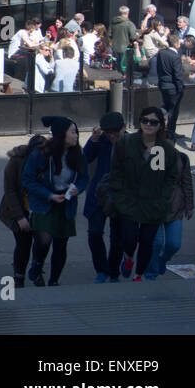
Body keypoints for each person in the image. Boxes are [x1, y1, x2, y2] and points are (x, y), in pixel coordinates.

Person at [108, 106, 180, 281]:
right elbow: (116, 171)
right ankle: (128, 258)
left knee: (147, 241)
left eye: (153, 122)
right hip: (129, 201)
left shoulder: (165, 149)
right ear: (139, 122)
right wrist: (119, 195)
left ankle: (139, 274)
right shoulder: (126, 143)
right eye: (145, 120)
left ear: (160, 126)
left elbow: (169, 177)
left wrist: (163, 198)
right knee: (129, 239)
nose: (148, 125)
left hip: (153, 204)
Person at [21, 116, 89, 287]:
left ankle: (54, 280)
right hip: (45, 203)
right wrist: (49, 195)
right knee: (43, 240)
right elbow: (28, 180)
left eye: (76, 132)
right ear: (61, 135)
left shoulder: (78, 154)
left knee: (61, 243)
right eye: (72, 132)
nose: (76, 136)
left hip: (66, 202)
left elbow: (84, 178)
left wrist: (76, 189)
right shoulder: (41, 154)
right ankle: (37, 265)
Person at [0, 133, 47, 289]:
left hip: (39, 208)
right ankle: (19, 276)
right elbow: (10, 191)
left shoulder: (48, 161)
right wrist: (20, 217)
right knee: (24, 243)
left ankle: (36, 269)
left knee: (42, 242)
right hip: (19, 208)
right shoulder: (16, 162)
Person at [82, 112, 125, 283]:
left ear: (123, 128)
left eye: (115, 132)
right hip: (99, 195)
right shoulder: (102, 140)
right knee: (94, 232)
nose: (112, 136)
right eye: (109, 133)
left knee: (118, 237)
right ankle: (101, 269)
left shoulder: (131, 142)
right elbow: (85, 157)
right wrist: (93, 139)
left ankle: (114, 271)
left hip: (121, 196)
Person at [150, 148, 194, 279]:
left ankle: (161, 260)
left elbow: (187, 183)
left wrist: (189, 206)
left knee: (174, 244)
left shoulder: (182, 158)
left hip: (176, 207)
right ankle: (150, 273)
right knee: (156, 243)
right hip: (154, 208)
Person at [152, 40, 185, 138]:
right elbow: (178, 75)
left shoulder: (161, 53)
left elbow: (158, 68)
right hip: (173, 87)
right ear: (176, 44)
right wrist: (180, 89)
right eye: (179, 43)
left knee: (166, 106)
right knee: (173, 111)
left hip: (163, 84)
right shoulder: (175, 57)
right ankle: (170, 132)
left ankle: (157, 119)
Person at [109, 6, 139, 71]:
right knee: (124, 69)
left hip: (115, 48)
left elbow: (109, 34)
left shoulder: (113, 23)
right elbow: (133, 37)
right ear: (127, 13)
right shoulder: (129, 24)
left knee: (116, 68)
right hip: (126, 49)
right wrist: (137, 35)